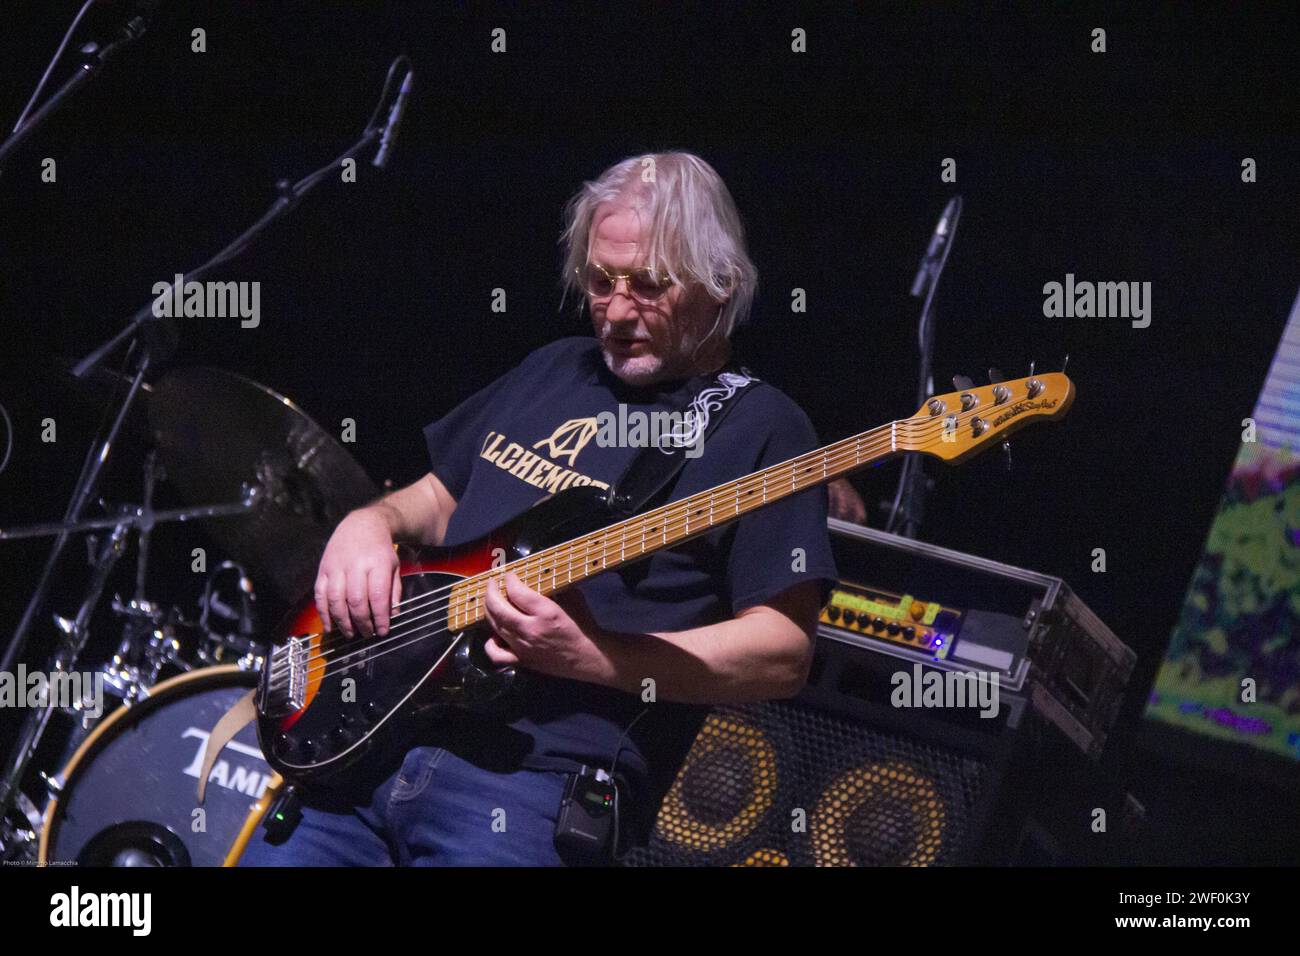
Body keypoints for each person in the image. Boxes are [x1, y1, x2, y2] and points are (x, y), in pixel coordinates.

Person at [240, 152, 837, 866]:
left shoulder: (765, 428)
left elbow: (782, 653)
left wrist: (598, 658)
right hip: (373, 743)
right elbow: (436, 497)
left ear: (720, 286)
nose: (616, 311)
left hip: (530, 790)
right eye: (599, 281)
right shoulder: (555, 366)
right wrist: (368, 524)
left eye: (648, 285)